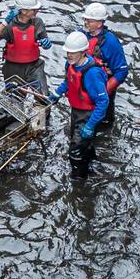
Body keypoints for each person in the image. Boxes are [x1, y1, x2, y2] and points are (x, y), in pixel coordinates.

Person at [48, 30, 110, 179]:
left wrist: (90, 125)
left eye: (73, 52)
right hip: (76, 110)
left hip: (88, 114)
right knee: (82, 142)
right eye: (68, 52)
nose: (69, 55)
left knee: (75, 151)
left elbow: (103, 102)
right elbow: (69, 81)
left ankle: (79, 179)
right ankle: (92, 163)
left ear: (83, 52)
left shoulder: (92, 74)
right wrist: (57, 93)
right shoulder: (70, 64)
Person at [0, 0, 53, 92]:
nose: (37, 11)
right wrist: (4, 22)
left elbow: (45, 42)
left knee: (43, 97)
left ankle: (40, 105)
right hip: (13, 69)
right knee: (14, 102)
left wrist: (46, 43)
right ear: (24, 11)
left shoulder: (38, 22)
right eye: (34, 9)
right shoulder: (10, 26)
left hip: (34, 66)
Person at [82, 2, 128, 131]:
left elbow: (122, 71)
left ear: (99, 23)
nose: (86, 23)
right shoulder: (81, 35)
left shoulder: (111, 42)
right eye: (85, 19)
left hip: (103, 87)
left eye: (89, 21)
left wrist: (104, 92)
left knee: (103, 123)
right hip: (85, 88)